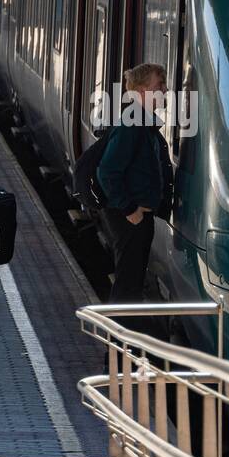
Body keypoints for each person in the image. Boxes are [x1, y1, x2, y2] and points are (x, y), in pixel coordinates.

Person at [95, 63, 174, 303]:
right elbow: (107, 171)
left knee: (132, 280)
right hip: (129, 216)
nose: (165, 89)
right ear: (142, 91)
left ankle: (123, 324)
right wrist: (130, 209)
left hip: (136, 215)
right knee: (128, 283)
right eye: (159, 85)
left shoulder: (142, 122)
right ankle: (120, 326)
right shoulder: (132, 125)